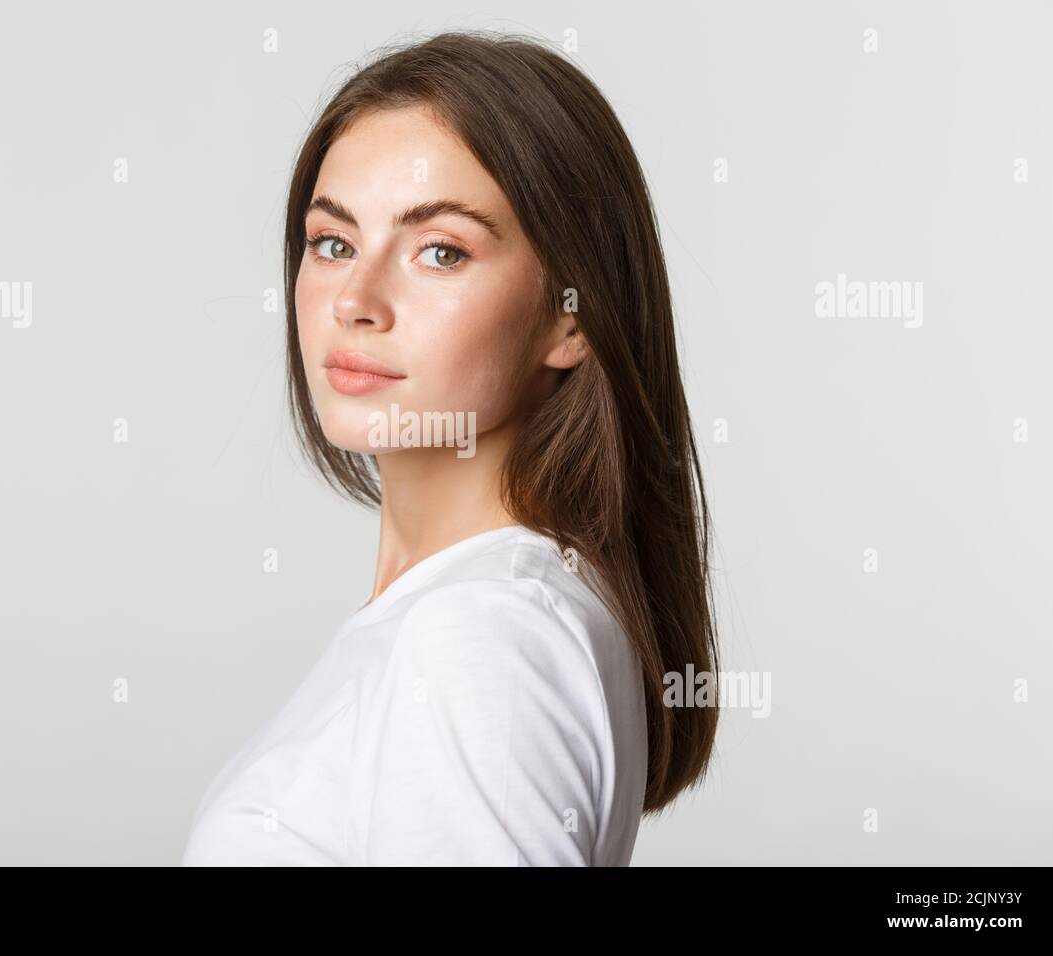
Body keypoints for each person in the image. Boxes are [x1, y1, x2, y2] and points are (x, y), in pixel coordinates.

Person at [183, 29, 719, 866]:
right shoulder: (472, 612)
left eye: (441, 251)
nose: (356, 299)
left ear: (569, 316)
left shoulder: (480, 637)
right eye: (333, 242)